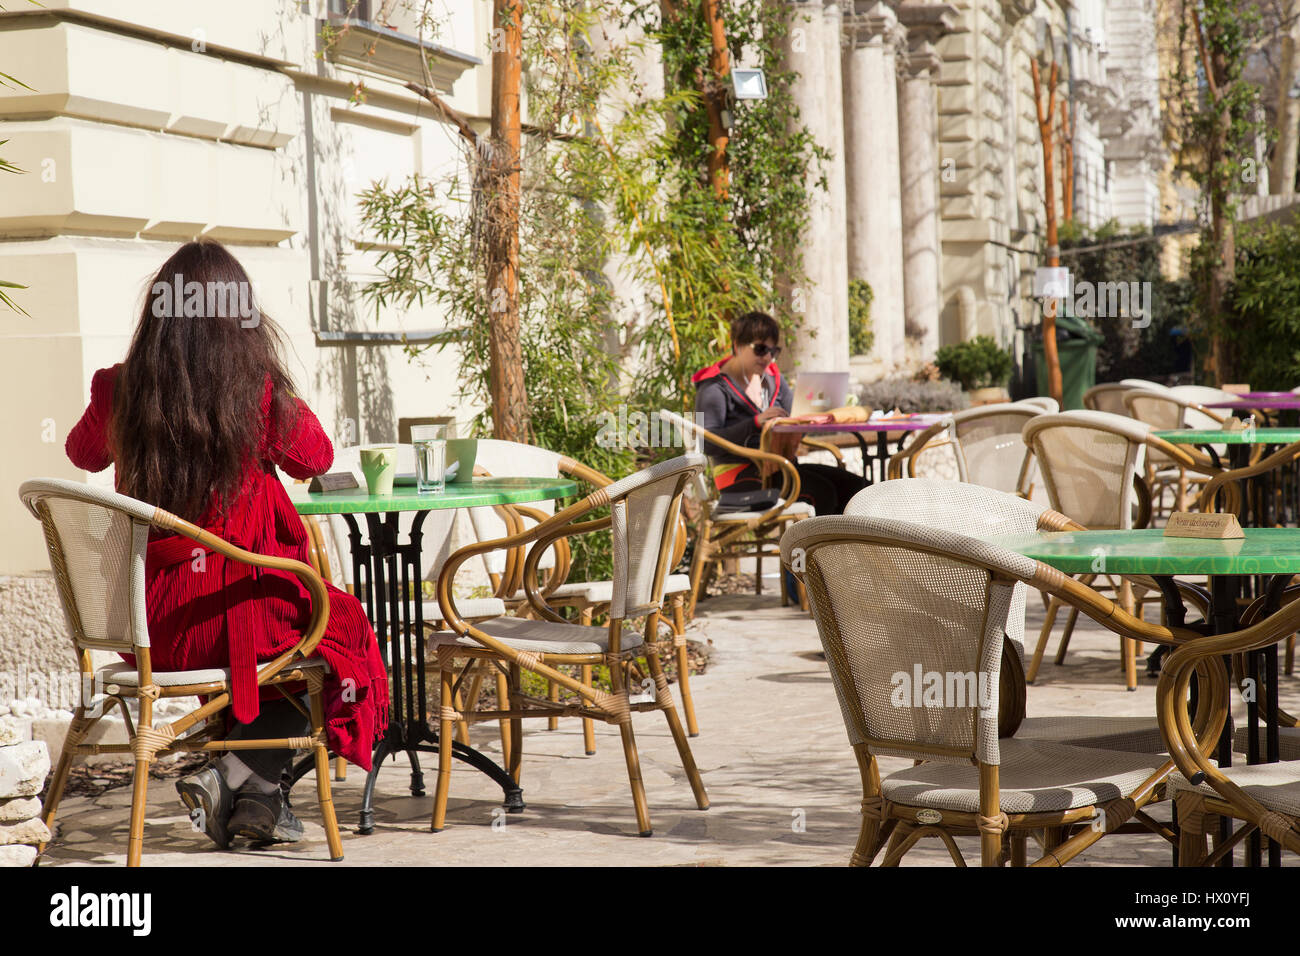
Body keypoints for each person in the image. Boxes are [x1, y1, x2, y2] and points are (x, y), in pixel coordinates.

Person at [65, 239, 388, 849]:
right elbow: (315, 457)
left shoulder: (120, 390)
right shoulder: (255, 393)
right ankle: (234, 772)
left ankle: (255, 809)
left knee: (300, 628)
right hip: (237, 615)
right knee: (336, 627)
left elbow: (81, 452)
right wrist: (263, 369)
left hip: (152, 626)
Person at [692, 311, 868, 516]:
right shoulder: (714, 388)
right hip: (741, 479)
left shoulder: (773, 380)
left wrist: (812, 417)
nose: (767, 357)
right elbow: (707, 442)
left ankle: (844, 548)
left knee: (857, 488)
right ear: (738, 345)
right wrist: (755, 422)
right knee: (822, 492)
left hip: (780, 470)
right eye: (760, 349)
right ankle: (814, 548)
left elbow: (796, 422)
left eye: (773, 351)